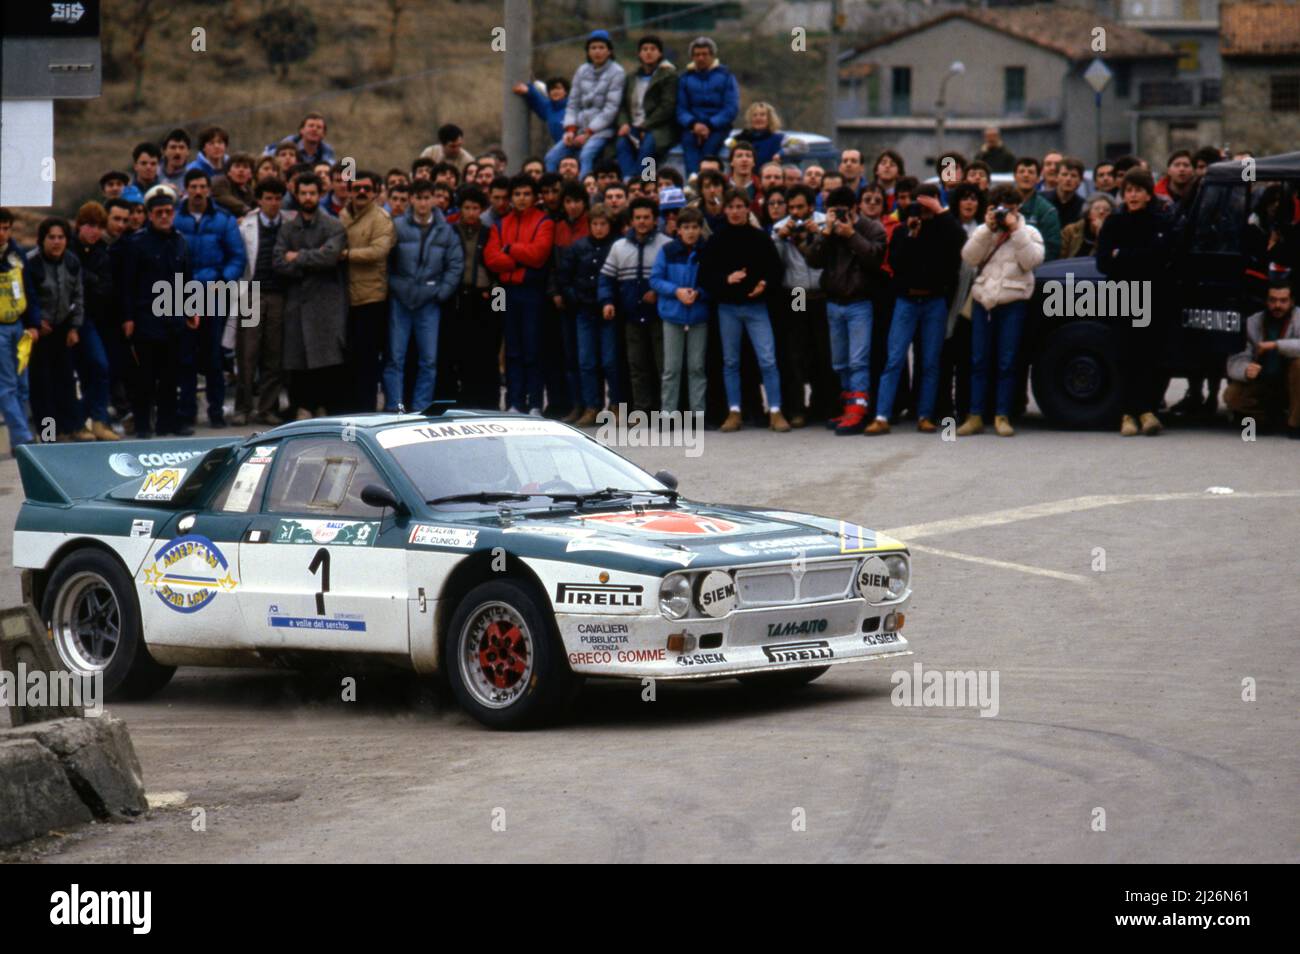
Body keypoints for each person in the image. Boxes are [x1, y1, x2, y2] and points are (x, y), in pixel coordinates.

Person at [868, 184, 966, 435]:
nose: (922, 213)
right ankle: (882, 415)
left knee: (931, 361)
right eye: (918, 208)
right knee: (894, 359)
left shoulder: (944, 229)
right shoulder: (902, 231)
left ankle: (925, 415)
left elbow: (961, 241)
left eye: (926, 208)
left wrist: (940, 212)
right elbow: (896, 263)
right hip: (906, 301)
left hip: (934, 301)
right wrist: (912, 233)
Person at [698, 189, 789, 432]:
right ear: (725, 209)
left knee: (768, 360)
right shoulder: (716, 239)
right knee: (730, 362)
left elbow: (776, 270)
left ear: (748, 208)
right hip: (728, 308)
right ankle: (734, 411)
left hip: (757, 307)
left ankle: (776, 410)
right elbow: (704, 276)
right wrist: (726, 279)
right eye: (731, 207)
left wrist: (765, 284)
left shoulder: (760, 238)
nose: (736, 211)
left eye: (740, 206)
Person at [957, 184, 1045, 437]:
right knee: (978, 360)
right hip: (983, 299)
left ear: (1018, 209)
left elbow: (1032, 261)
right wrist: (986, 229)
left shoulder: (1028, 232)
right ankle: (974, 415)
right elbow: (968, 257)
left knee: (1007, 361)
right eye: (999, 209)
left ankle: (1002, 415)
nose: (1004, 214)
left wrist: (1016, 231)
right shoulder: (985, 231)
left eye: (1010, 209)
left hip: (1013, 301)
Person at [1095, 167, 1177, 437]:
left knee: (1149, 356)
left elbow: (1161, 258)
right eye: (1128, 190)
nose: (1133, 195)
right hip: (1122, 298)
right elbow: (1105, 262)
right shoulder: (1114, 223)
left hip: (1153, 297)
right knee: (1124, 356)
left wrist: (1124, 256)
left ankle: (1147, 410)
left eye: (1138, 190)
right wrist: (1138, 257)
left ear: (1148, 193)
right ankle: (1127, 413)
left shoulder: (1160, 221)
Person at [803, 185, 886, 434]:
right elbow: (813, 261)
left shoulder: (872, 228)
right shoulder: (827, 231)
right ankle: (847, 407)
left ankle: (858, 411)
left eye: (843, 211)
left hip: (860, 302)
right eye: (832, 211)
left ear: (854, 209)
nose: (838, 215)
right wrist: (826, 233)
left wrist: (851, 234)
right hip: (833, 302)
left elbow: (875, 258)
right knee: (840, 362)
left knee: (858, 361)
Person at [118, 192, 198, 437]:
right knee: (145, 377)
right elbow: (127, 284)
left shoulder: (180, 241)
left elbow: (187, 278)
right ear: (150, 215)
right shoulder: (136, 243)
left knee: (170, 375)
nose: (164, 217)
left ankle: (168, 423)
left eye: (168, 212)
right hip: (146, 318)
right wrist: (128, 317)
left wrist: (191, 308)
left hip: (173, 318)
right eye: (158, 213)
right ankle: (143, 426)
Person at [174, 168, 246, 428]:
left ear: (208, 189)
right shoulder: (173, 218)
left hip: (214, 293)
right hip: (180, 295)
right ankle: (187, 411)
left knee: (213, 356)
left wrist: (223, 281)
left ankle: (216, 411)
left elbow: (237, 257)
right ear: (186, 190)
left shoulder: (223, 219)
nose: (197, 191)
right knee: (185, 357)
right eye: (192, 186)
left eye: (202, 186)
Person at [274, 174, 349, 419]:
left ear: (320, 195)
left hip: (325, 303)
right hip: (296, 302)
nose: (308, 198)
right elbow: (278, 263)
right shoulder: (287, 228)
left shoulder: (333, 225)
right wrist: (314, 257)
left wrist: (298, 257)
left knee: (325, 359)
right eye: (303, 193)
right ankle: (302, 407)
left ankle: (322, 407)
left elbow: (330, 257)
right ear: (296, 195)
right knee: (298, 361)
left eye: (312, 193)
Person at [383, 179, 461, 414]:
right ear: (412, 200)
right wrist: (393, 285)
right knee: (395, 357)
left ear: (435, 200)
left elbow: (455, 264)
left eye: (428, 197)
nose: (423, 202)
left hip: (429, 302)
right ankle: (394, 405)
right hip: (401, 299)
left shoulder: (445, 230)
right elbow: (385, 260)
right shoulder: (397, 226)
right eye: (419, 197)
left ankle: (419, 407)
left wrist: (441, 292)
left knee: (429, 359)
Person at [484, 174, 554, 414]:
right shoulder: (501, 223)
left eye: (526, 194)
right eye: (517, 194)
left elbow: (539, 255)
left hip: (532, 291)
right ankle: (514, 402)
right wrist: (517, 261)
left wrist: (511, 249)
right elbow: (492, 258)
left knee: (533, 348)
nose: (522, 199)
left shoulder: (544, 222)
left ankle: (534, 403)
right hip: (506, 291)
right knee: (512, 348)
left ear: (534, 197)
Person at [598, 195, 670, 414]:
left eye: (646, 217)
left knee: (662, 366)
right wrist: (607, 301)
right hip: (630, 316)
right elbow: (606, 279)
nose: (642, 222)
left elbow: (674, 278)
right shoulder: (619, 247)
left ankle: (662, 410)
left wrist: (660, 293)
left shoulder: (666, 245)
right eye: (637, 217)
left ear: (655, 220)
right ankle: (641, 410)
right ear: (631, 220)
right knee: (637, 366)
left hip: (659, 315)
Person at [772, 184, 835, 424]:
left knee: (823, 352)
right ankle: (796, 408)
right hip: (797, 292)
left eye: (800, 207)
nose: (796, 213)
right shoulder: (781, 226)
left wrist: (820, 234)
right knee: (796, 352)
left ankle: (823, 406)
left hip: (821, 292)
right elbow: (772, 261)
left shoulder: (823, 223)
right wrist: (780, 237)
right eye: (792, 208)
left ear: (811, 205)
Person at [233, 177, 289, 426]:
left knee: (273, 355)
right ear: (259, 200)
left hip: (279, 294)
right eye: (268, 198)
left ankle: (267, 408)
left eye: (278, 198)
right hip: (252, 292)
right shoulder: (246, 225)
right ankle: (242, 407)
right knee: (247, 353)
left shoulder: (289, 223)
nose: (273, 203)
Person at [339, 169, 396, 413]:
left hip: (372, 298)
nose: (361, 192)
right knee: (348, 357)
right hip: (345, 298)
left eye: (367, 189)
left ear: (375, 193)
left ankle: (366, 409)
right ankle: (349, 406)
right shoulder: (342, 216)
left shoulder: (381, 218)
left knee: (368, 359)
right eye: (356, 188)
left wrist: (345, 255)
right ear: (349, 191)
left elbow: (378, 251)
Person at [557, 204, 619, 424]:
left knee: (610, 361)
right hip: (584, 310)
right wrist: (576, 298)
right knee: (586, 361)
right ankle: (591, 406)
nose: (599, 228)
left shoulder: (615, 246)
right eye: (595, 224)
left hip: (608, 311)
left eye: (603, 224)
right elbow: (564, 277)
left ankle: (615, 405)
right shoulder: (578, 247)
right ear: (589, 225)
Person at [651, 205, 710, 419]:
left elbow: (713, 282)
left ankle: (698, 414)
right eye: (686, 227)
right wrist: (676, 291)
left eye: (695, 227)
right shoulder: (667, 251)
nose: (691, 232)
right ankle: (667, 414)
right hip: (673, 315)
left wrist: (699, 293)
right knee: (671, 369)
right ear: (678, 229)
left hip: (698, 315)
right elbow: (656, 279)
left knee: (696, 367)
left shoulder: (706, 251)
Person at [67, 204, 119, 441]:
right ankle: (78, 423)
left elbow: (106, 288)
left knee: (99, 367)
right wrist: (91, 280)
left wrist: (86, 278)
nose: (94, 232)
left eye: (99, 227)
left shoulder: (103, 251)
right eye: (90, 226)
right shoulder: (68, 248)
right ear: (79, 225)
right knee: (76, 374)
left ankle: (96, 419)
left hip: (92, 319)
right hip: (68, 318)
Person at [446, 187, 500, 410]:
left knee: (485, 349)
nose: (470, 212)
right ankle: (464, 398)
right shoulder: (452, 231)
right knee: (460, 349)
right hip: (459, 294)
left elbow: (496, 264)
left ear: (482, 209)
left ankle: (487, 399)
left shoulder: (489, 231)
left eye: (475, 208)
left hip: (485, 295)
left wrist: (496, 296)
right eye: (467, 208)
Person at [1224, 281, 1300, 437]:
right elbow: (1235, 359)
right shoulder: (1253, 322)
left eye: (1283, 300)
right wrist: (1245, 369)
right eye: (1272, 300)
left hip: (1291, 383)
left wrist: (1276, 345)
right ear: (1266, 301)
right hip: (1264, 381)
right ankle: (1268, 418)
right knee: (1232, 396)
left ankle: (1295, 424)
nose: (1277, 305)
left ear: (1292, 301)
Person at [548, 30, 625, 177]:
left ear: (609, 51)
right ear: (588, 51)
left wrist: (588, 133)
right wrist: (570, 130)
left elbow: (611, 109)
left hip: (602, 130)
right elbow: (573, 103)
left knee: (586, 155)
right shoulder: (582, 71)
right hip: (578, 129)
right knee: (552, 157)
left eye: (601, 47)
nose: (597, 52)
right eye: (593, 48)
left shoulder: (617, 72)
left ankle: (585, 189)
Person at [0, 208, 40, 449]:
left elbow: (29, 290)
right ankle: (23, 435)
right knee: (7, 385)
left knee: (22, 384)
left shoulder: (16, 254)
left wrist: (33, 323)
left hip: (19, 326)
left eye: (6, 228)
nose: (2, 233)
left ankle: (20, 438)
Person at [614, 35, 679, 181]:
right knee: (622, 144)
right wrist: (624, 123)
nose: (648, 52)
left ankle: (646, 181)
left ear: (660, 53)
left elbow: (667, 106)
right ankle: (629, 181)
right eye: (644, 49)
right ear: (639, 53)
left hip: (659, 127)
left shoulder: (668, 76)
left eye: (653, 49)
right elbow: (623, 105)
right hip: (634, 126)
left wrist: (646, 125)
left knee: (648, 148)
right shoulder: (632, 78)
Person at [676, 36, 739, 177]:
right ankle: (692, 181)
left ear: (712, 55)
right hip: (692, 127)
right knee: (689, 147)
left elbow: (731, 108)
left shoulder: (726, 76)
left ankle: (708, 180)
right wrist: (694, 124)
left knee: (709, 150)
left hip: (717, 126)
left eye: (704, 54)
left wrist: (710, 125)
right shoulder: (685, 78)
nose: (701, 58)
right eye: (697, 55)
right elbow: (681, 109)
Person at [1012, 156, 1061, 260]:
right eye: (1021, 172)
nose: (1026, 175)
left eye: (1031, 172)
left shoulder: (1047, 211)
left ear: (1038, 178)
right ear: (1015, 176)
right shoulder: (1002, 204)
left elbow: (1052, 248)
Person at [514, 77, 569, 146]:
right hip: (561, 146)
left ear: (566, 92)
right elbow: (538, 101)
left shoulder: (573, 107)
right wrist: (528, 90)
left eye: (558, 88)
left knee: (550, 157)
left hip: (576, 145)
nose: (555, 91)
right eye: (552, 89)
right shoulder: (549, 108)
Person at [266, 112, 335, 165]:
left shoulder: (327, 154)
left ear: (324, 134)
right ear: (301, 130)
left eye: (319, 127)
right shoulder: (282, 147)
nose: (314, 129)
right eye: (311, 126)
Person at [1060, 192, 1114, 259]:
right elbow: (1060, 257)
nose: (1101, 212)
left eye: (1107, 210)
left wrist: (1101, 233)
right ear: (1088, 213)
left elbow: (1105, 259)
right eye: (1096, 208)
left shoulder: (1114, 235)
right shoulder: (1071, 230)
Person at [734, 102, 785, 167]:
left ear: (770, 118)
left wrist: (781, 153)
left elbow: (801, 145)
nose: (758, 118)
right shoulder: (741, 137)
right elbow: (727, 145)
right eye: (754, 115)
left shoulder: (779, 137)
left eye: (762, 115)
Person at [212, 152, 257, 217]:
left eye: (245, 167)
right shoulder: (219, 182)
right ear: (229, 172)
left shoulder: (249, 191)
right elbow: (225, 198)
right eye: (237, 166)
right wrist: (246, 209)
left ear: (251, 174)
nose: (241, 170)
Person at [1048, 156, 1085, 229]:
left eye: (1073, 176)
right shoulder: (1043, 201)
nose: (1068, 179)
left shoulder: (1083, 207)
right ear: (1056, 177)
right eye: (1064, 174)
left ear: (1080, 180)